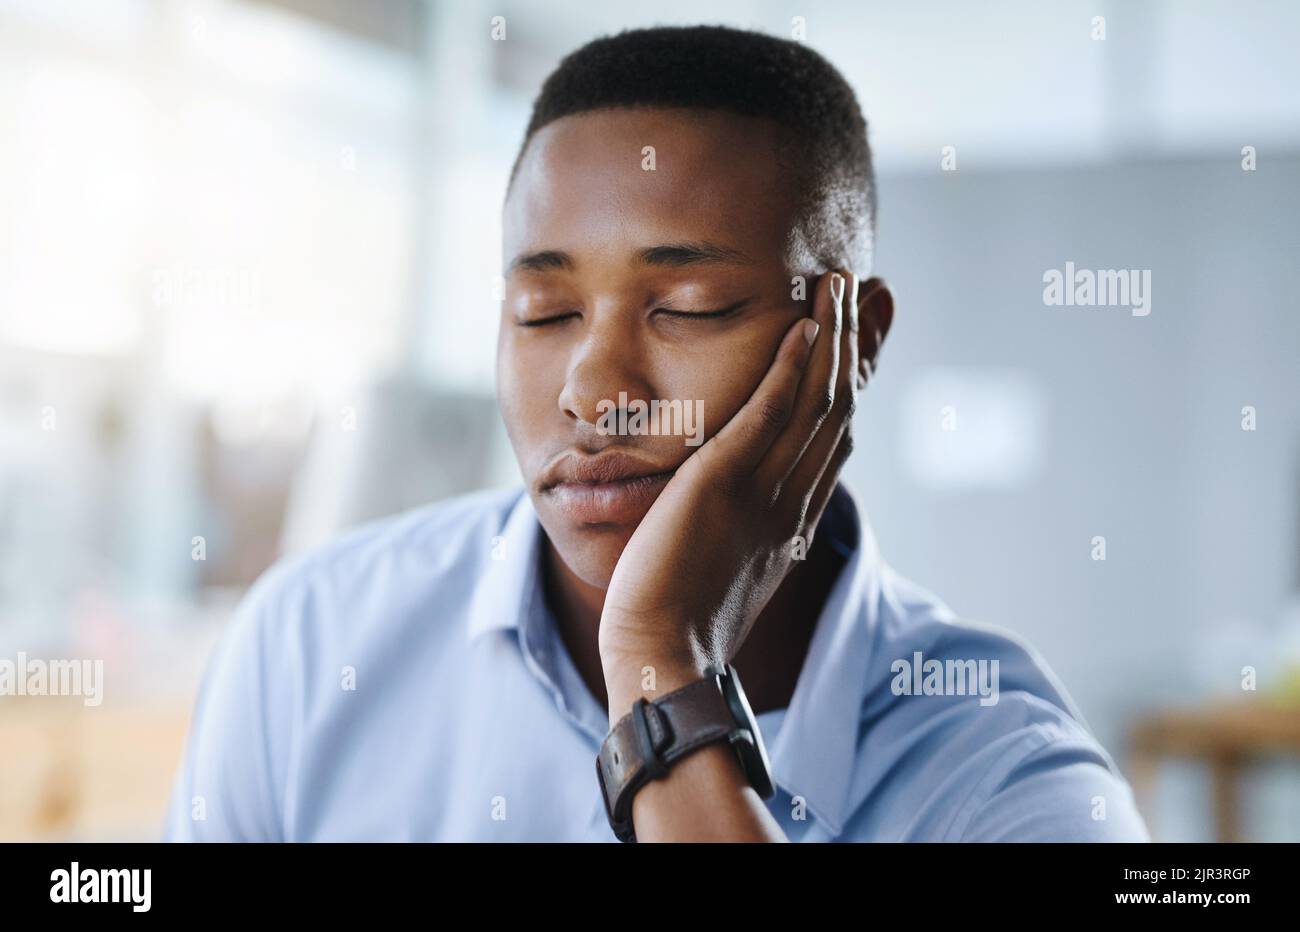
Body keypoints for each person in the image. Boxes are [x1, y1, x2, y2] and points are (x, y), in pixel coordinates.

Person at [163, 25, 1149, 842]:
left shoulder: (1008, 783)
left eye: (691, 306)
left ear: (856, 338)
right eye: (545, 313)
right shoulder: (306, 644)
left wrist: (662, 669)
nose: (593, 389)